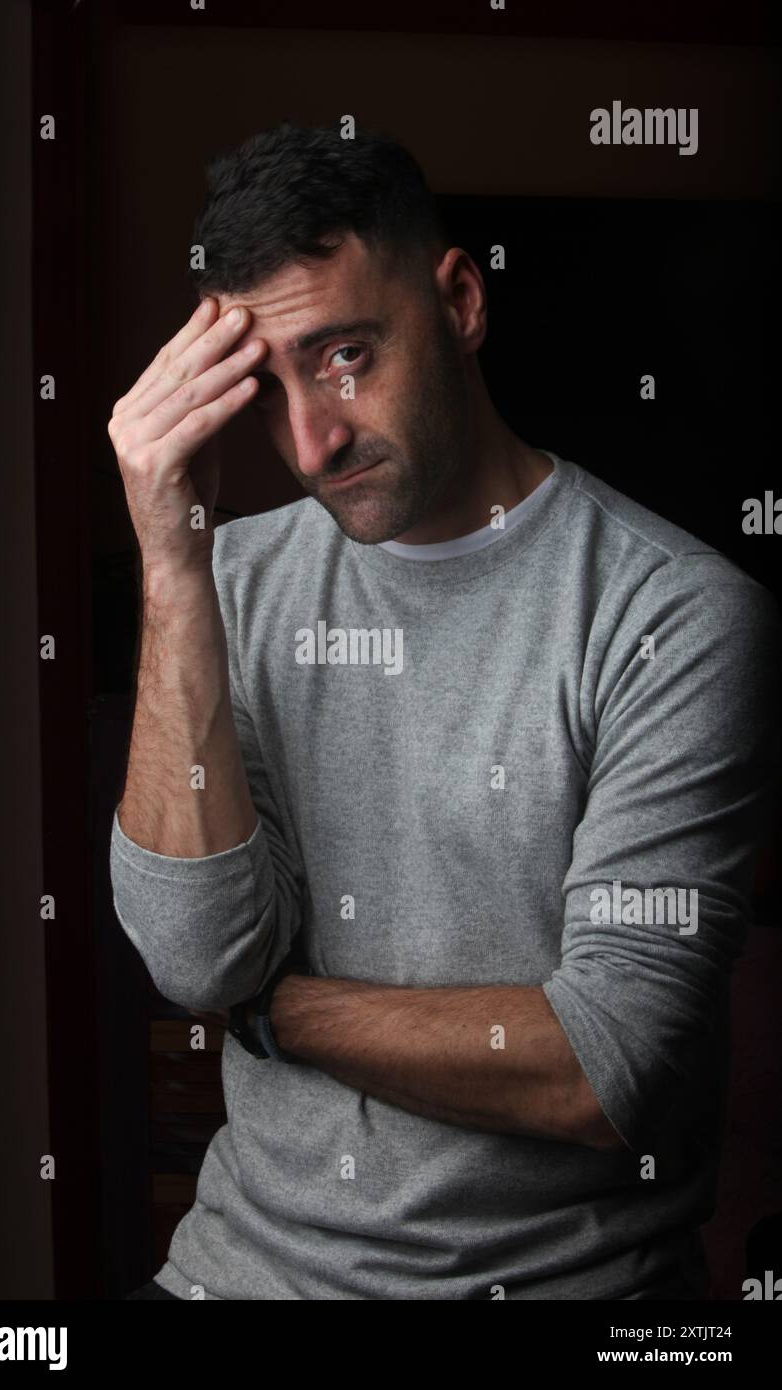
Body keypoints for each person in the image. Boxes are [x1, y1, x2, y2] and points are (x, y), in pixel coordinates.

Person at [109, 123, 780, 1300]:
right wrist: (173, 564)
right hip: (241, 1271)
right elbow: (191, 954)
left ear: (460, 301)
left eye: (344, 355)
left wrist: (274, 1011)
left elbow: (600, 1068)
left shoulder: (671, 616)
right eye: (266, 387)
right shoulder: (231, 584)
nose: (309, 442)